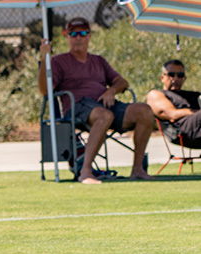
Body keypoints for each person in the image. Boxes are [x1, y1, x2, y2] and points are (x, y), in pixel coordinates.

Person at [38, 17, 154, 184]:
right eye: (73, 34)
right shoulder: (58, 61)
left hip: (105, 104)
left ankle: (137, 169)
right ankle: (85, 172)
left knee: (145, 111)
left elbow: (122, 82)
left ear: (90, 36)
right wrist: (44, 59)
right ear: (67, 37)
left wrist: (111, 90)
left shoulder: (98, 61)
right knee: (104, 116)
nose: (78, 37)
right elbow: (44, 90)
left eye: (83, 33)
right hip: (77, 107)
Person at [146, 59, 201, 149]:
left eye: (180, 75)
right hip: (182, 131)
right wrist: (195, 112)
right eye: (171, 75)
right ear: (162, 78)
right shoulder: (156, 94)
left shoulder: (192, 95)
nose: (175, 79)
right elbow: (172, 115)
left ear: (184, 78)